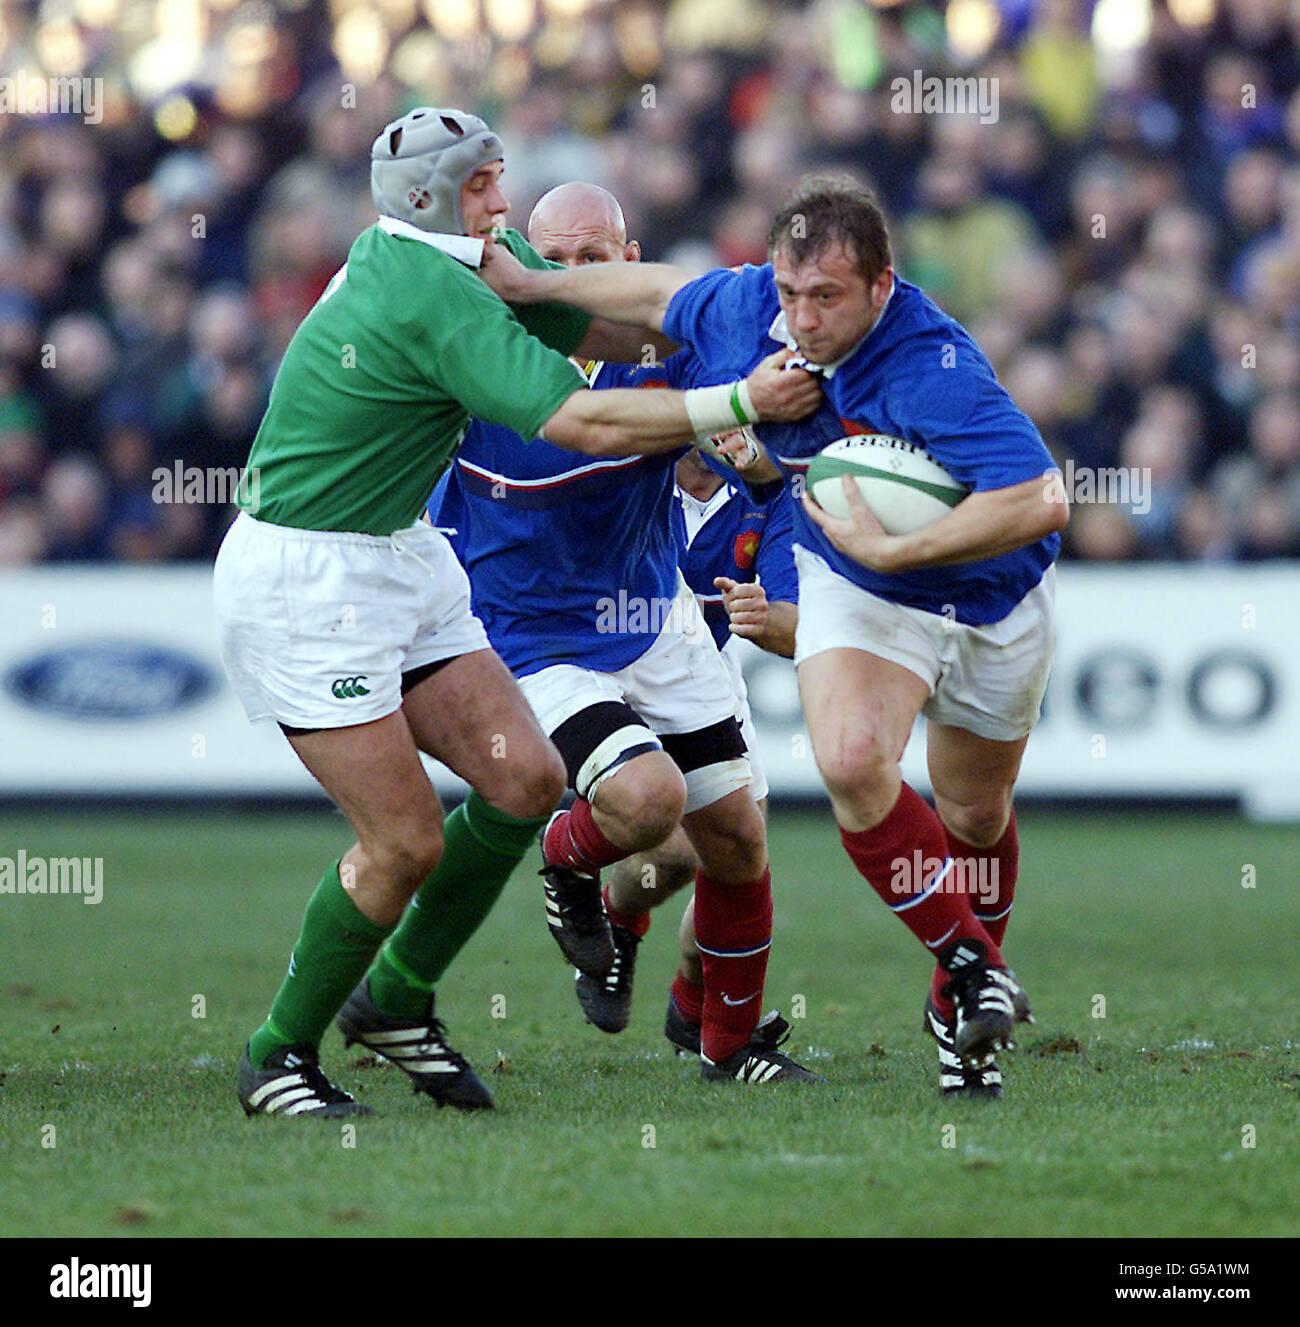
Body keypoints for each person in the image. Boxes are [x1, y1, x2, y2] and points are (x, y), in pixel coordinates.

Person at [214, 109, 821, 1119]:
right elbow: (579, 415)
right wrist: (736, 400)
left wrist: (744, 319)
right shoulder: (425, 293)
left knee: (525, 778)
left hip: (399, 555)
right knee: (402, 843)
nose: (504, 203)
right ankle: (276, 1052)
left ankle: (399, 998)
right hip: (310, 579)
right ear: (426, 199)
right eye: (485, 184)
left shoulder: (463, 265)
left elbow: (601, 328)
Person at [480, 176, 1068, 1098]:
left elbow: (1040, 499)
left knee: (974, 815)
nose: (802, 317)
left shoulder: (930, 368)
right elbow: (652, 296)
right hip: (863, 588)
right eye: (790, 294)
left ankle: (953, 976)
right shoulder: (751, 309)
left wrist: (902, 541)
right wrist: (533, 289)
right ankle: (964, 975)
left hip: (990, 598)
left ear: (880, 289)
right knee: (849, 762)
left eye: (826, 298)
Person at [431, 181, 814, 1084]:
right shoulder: (479, 351)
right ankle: (568, 862)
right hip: (532, 638)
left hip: (653, 619)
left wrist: (780, 453)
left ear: (627, 261)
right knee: (649, 805)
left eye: (591, 261)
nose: (569, 277)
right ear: (521, 260)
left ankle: (725, 1047)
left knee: (734, 839)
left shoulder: (661, 349)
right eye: (551, 259)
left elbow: (757, 461)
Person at [585, 443, 797, 1045]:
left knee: (737, 856)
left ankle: (691, 1004)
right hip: (612, 661)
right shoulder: (628, 470)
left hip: (708, 675)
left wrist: (773, 615)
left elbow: (794, 617)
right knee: (674, 850)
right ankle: (618, 921)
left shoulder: (771, 490)